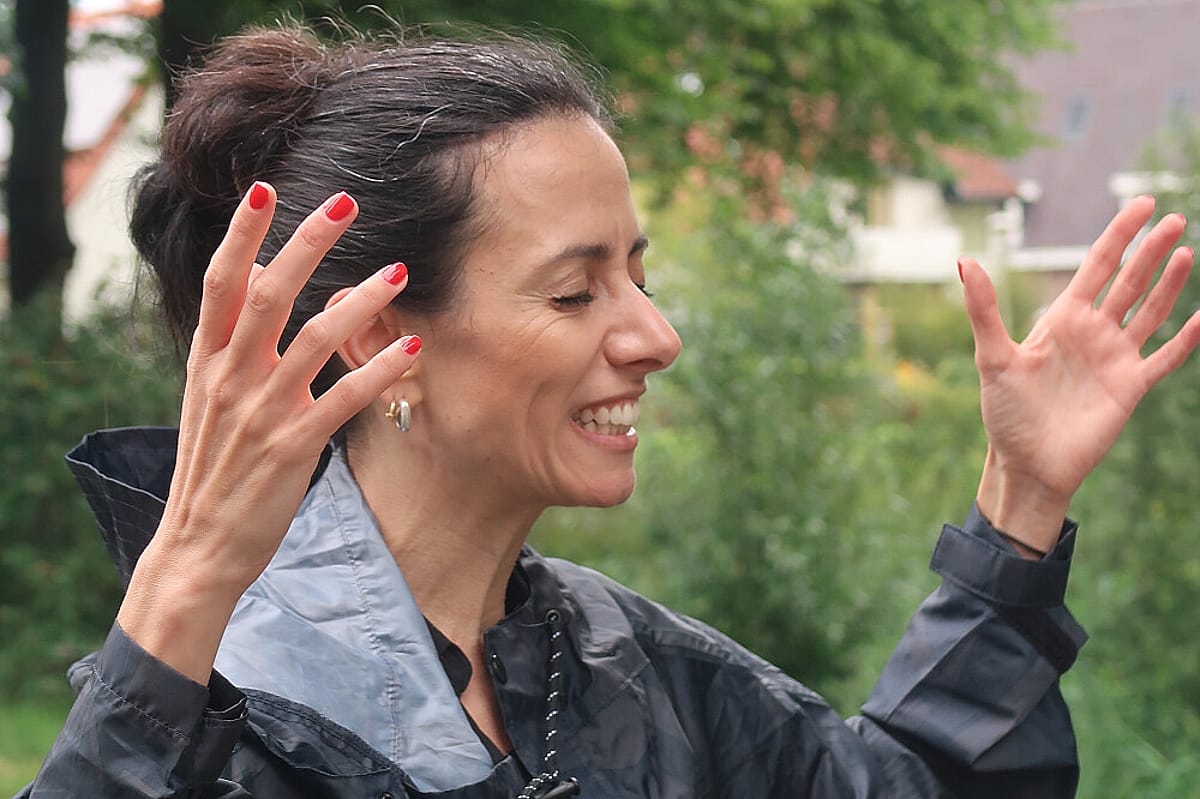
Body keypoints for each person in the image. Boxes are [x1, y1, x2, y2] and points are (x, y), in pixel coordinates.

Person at [18, 21, 1200, 799]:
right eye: (576, 290)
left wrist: (1019, 506)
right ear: (381, 337)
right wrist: (185, 584)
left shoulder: (629, 666)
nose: (656, 336)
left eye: (639, 273)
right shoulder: (216, 722)